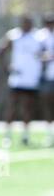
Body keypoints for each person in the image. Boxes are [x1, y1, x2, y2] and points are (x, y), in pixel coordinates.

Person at [0, 15, 42, 147]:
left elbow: (42, 55)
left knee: (28, 107)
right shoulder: (14, 36)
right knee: (12, 107)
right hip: (17, 78)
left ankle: (25, 136)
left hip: (31, 78)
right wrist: (7, 69)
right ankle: (8, 136)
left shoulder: (38, 37)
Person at [34, 13, 54, 146]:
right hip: (47, 75)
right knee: (47, 105)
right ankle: (50, 134)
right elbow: (36, 54)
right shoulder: (40, 36)